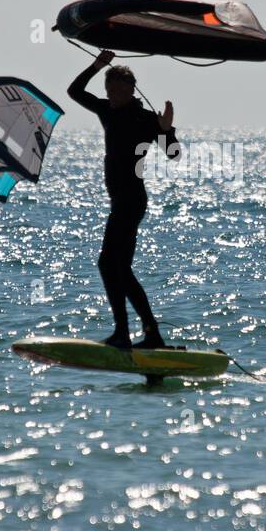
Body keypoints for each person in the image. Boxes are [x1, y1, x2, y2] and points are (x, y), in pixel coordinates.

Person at [68, 51, 179, 348]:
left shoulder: (145, 119)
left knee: (109, 264)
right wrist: (96, 66)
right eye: (110, 90)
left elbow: (173, 154)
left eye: (119, 90)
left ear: (132, 89)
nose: (113, 95)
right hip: (120, 200)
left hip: (131, 199)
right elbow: (74, 91)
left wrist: (167, 130)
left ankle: (125, 332)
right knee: (117, 267)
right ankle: (149, 333)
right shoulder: (106, 111)